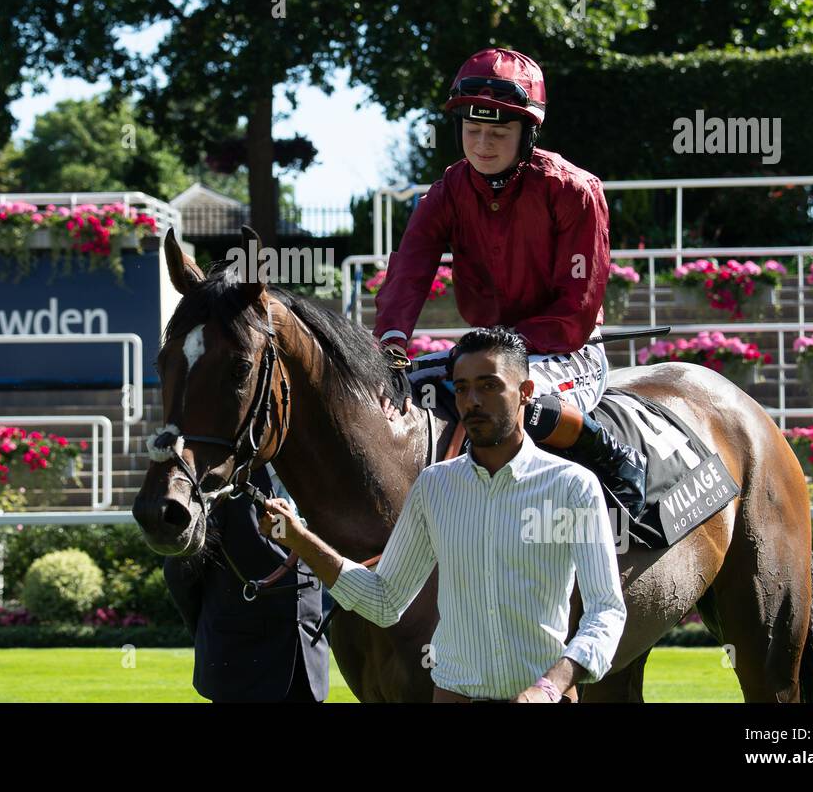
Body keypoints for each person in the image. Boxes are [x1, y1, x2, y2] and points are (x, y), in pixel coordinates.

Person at [261, 327, 626, 703]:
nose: (472, 401)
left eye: (489, 386)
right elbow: (386, 600)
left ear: (526, 393)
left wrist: (548, 688)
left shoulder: (572, 486)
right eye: (463, 387)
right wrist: (300, 540)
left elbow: (606, 612)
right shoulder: (434, 487)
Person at [374, 47, 646, 517]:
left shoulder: (575, 190)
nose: (482, 144)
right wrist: (392, 343)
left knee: (505, 394)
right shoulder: (445, 192)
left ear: (528, 134)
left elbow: (573, 314)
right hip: (483, 348)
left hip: (567, 349)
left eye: (498, 132)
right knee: (392, 392)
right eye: (472, 130)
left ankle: (612, 455)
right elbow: (409, 271)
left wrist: (496, 346)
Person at [163, 463, 330, 702]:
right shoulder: (224, 484)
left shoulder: (318, 477)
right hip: (241, 668)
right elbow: (179, 572)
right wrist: (208, 630)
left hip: (309, 666)